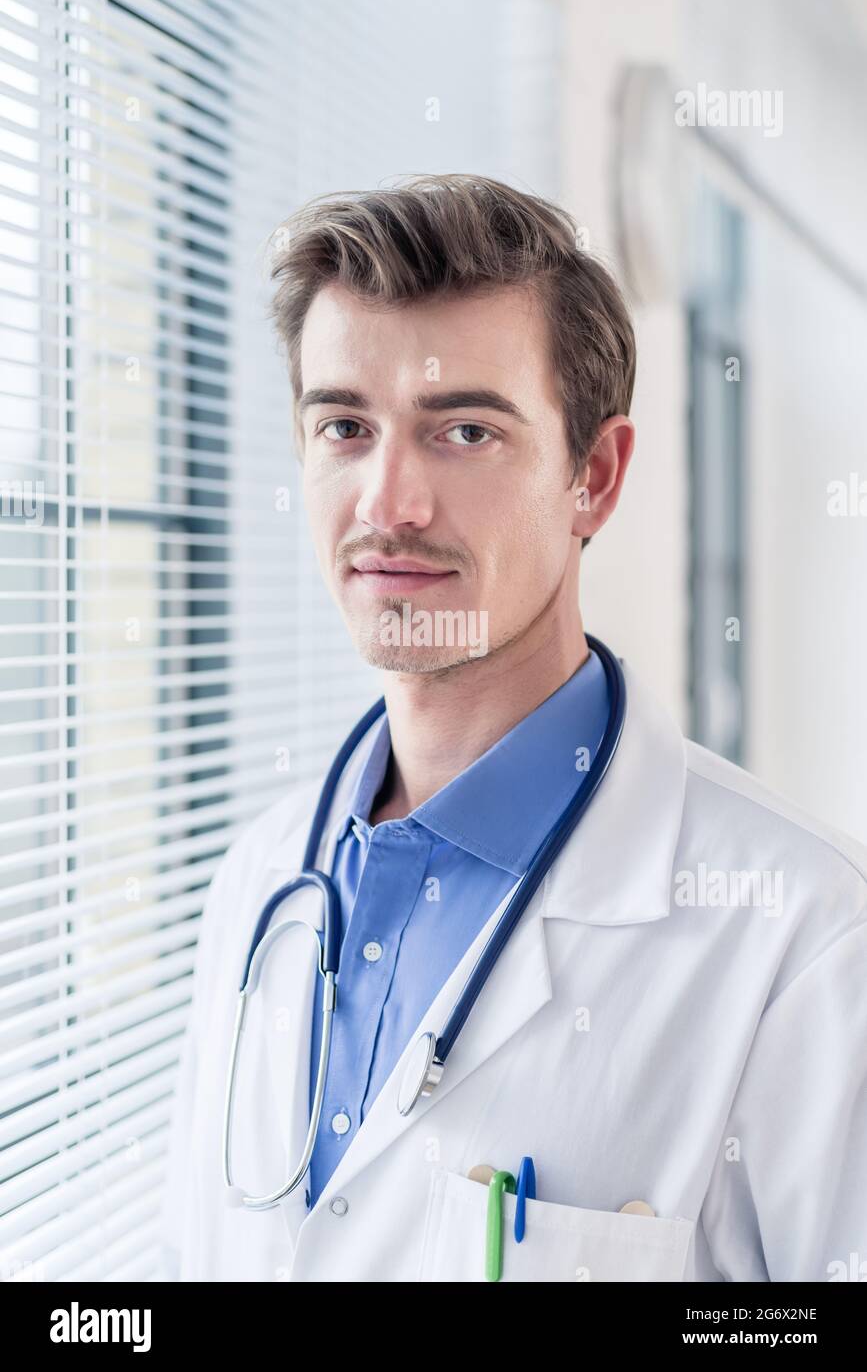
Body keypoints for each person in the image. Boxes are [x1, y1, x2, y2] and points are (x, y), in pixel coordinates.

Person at [159, 174, 867, 1282]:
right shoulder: (260, 885)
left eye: (465, 431)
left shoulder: (809, 936)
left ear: (594, 476)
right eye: (343, 425)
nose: (389, 501)